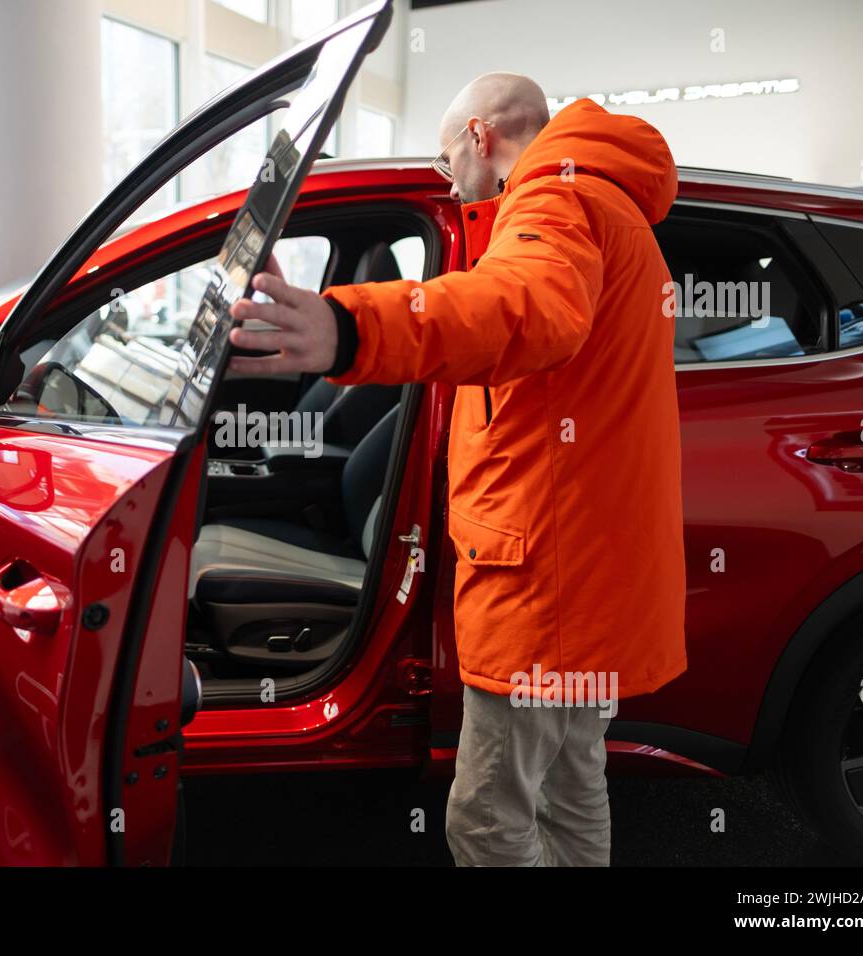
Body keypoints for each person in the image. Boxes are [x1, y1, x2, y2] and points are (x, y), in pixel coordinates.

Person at [228, 73, 687, 866]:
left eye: (447, 159)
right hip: (591, 578)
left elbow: (521, 308)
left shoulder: (554, 202)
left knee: (486, 822)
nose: (448, 179)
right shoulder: (613, 205)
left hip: (546, 589)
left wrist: (351, 327)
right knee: (573, 787)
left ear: (480, 136)